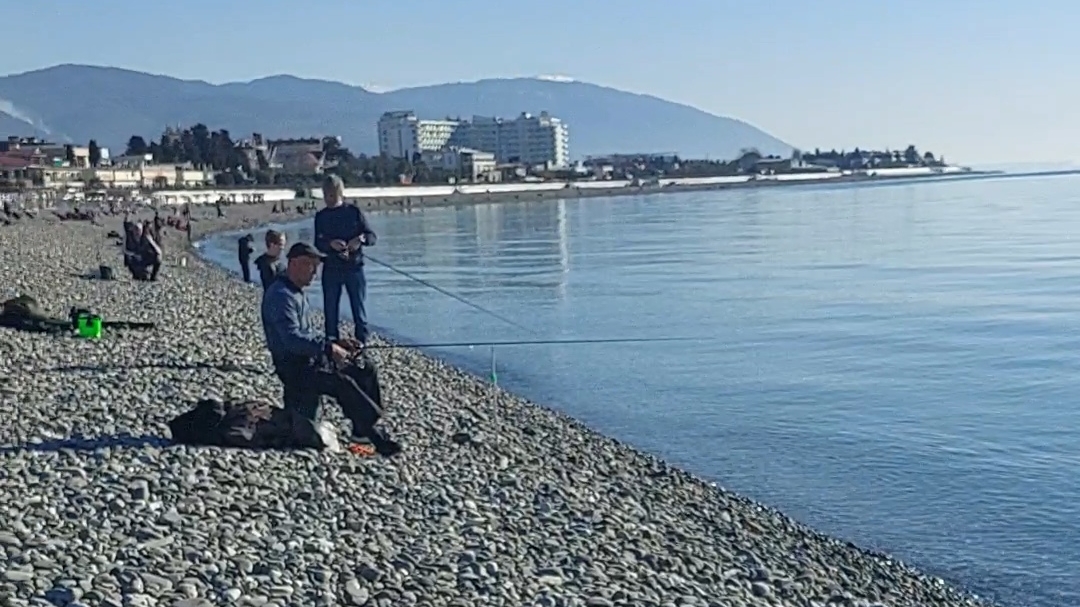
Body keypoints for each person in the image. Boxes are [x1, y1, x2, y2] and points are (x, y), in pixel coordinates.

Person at [260, 242, 401, 456]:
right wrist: (328, 348)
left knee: (365, 368)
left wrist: (337, 342)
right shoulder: (281, 295)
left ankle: (362, 431)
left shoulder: (296, 292)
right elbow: (291, 340)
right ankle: (377, 437)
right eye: (311, 266)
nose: (315, 273)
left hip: (310, 359)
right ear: (294, 264)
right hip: (294, 368)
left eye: (316, 267)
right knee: (342, 383)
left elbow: (308, 334)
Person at [314, 174, 377, 343]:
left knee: (359, 311)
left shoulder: (353, 212)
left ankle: (362, 344)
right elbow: (318, 243)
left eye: (331, 195)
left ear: (340, 193)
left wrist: (360, 239)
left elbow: (372, 237)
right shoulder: (321, 216)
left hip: (354, 268)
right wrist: (330, 244)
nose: (328, 199)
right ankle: (331, 345)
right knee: (330, 312)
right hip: (331, 268)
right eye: (326, 195)